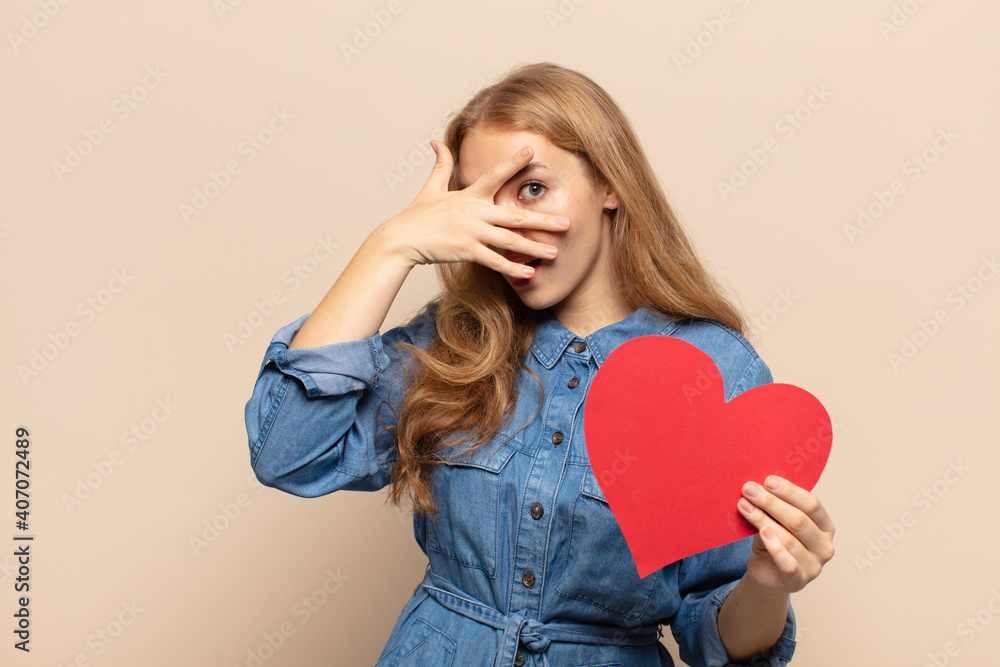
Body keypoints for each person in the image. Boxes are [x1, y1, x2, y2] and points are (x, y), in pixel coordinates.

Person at [244, 62, 835, 667]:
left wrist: (767, 587)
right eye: (481, 202)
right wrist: (392, 244)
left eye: (532, 189)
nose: (510, 228)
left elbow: (718, 643)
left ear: (611, 185)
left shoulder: (716, 367)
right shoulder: (455, 343)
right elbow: (287, 450)